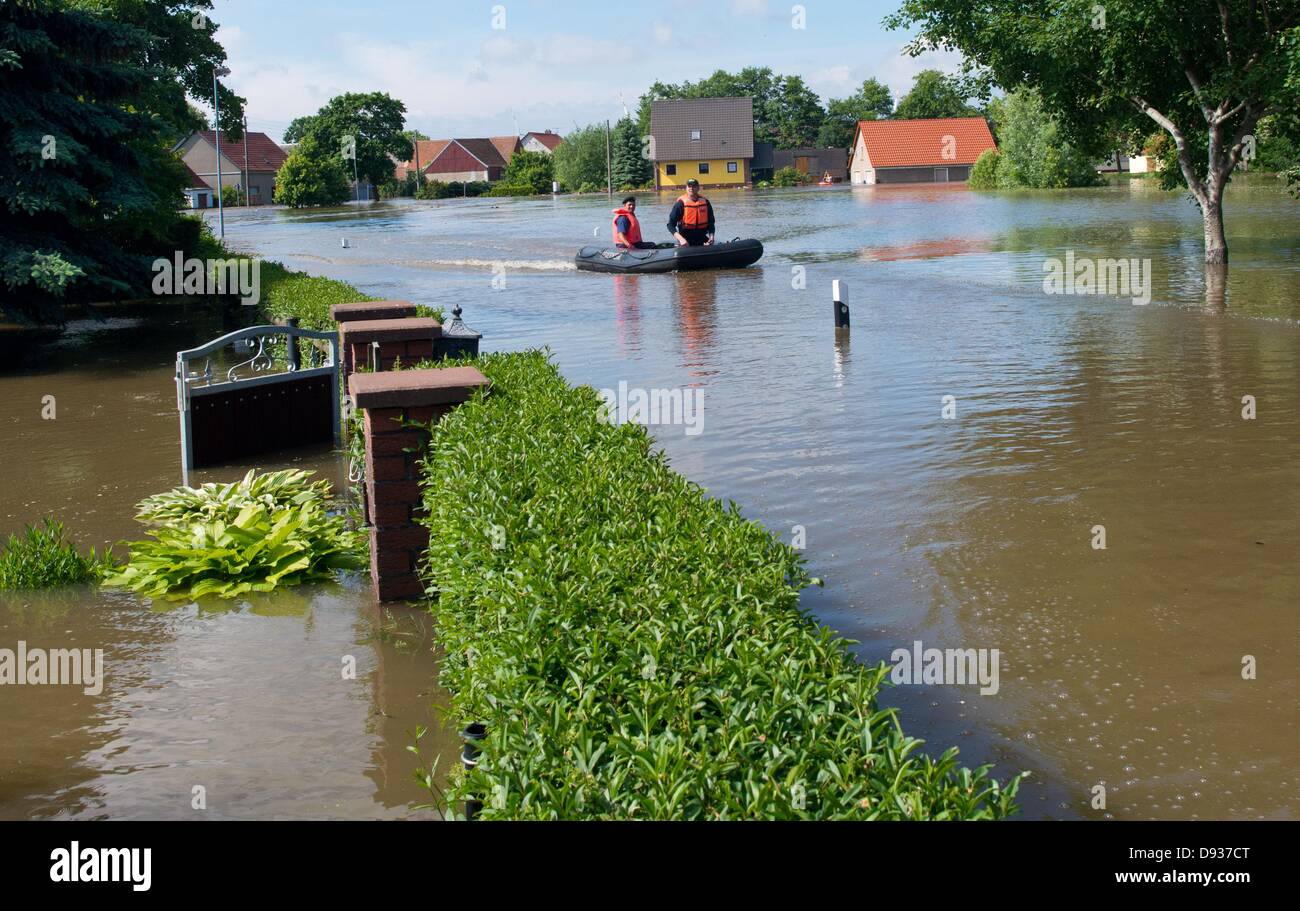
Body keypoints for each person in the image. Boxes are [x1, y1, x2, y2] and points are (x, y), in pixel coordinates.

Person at [667, 178, 714, 246]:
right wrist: (681, 239)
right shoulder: (680, 204)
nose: (691, 188)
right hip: (685, 240)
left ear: (698, 188)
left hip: (701, 238)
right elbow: (670, 225)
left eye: (694, 186)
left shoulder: (706, 202)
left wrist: (711, 237)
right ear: (686, 188)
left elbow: (711, 223)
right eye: (689, 186)